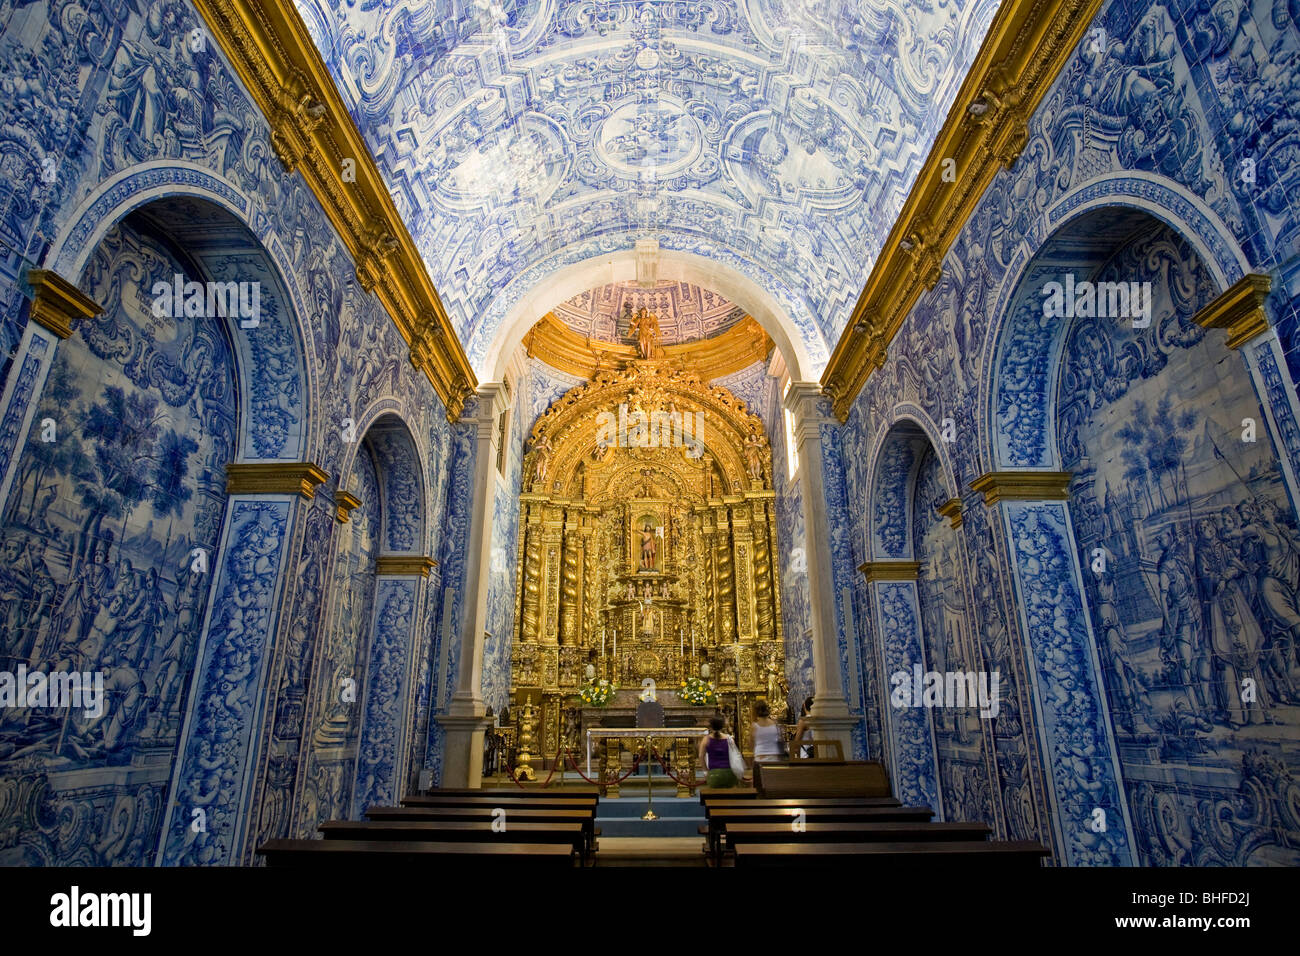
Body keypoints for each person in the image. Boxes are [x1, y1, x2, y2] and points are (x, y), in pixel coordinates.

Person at [697, 715, 741, 788]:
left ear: (711, 726)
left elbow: (701, 756)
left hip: (714, 774)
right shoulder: (729, 738)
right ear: (722, 726)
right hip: (729, 773)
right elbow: (735, 755)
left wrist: (705, 771)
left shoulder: (706, 739)